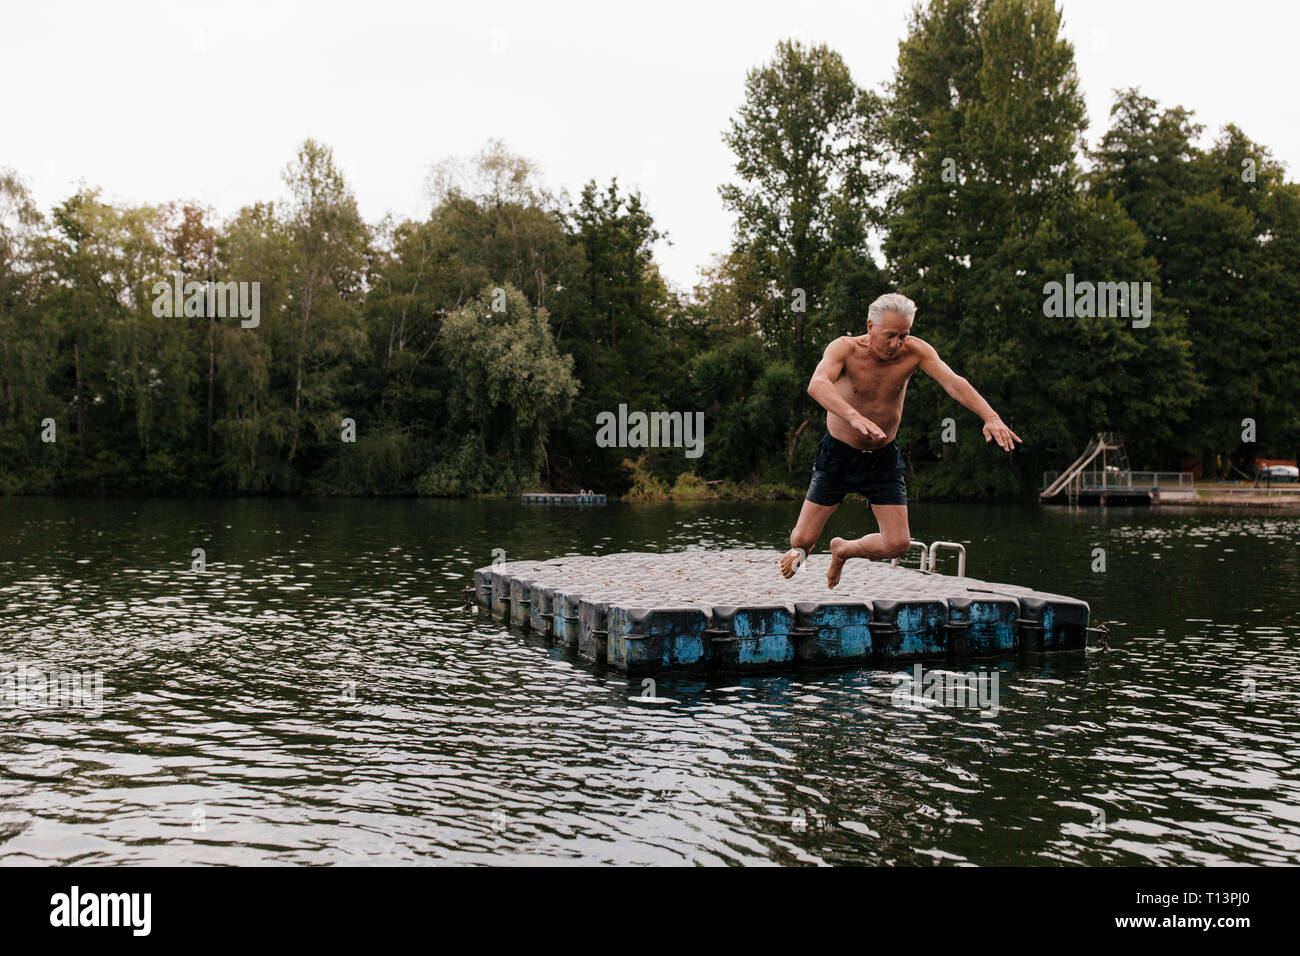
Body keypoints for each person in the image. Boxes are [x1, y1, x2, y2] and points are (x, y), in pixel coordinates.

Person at [780, 292, 1021, 588]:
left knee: (898, 544)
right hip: (838, 456)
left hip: (882, 460)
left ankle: (843, 549)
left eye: (903, 336)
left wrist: (990, 416)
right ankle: (803, 547)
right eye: (889, 335)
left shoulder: (915, 351)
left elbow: (954, 382)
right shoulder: (844, 349)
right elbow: (817, 384)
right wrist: (853, 416)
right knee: (802, 540)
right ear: (870, 326)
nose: (896, 344)